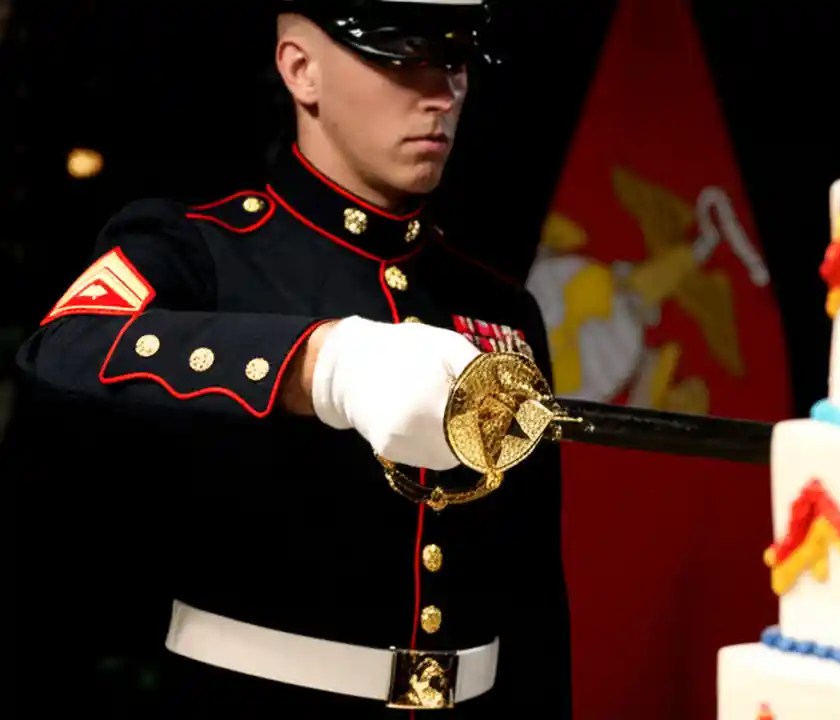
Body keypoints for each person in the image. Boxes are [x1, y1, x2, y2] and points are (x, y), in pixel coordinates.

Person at [7, 0, 571, 716]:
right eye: (403, 58)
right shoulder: (201, 250)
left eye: (455, 62)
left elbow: (532, 590)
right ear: (301, 71)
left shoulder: (498, 306)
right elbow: (62, 349)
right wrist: (315, 363)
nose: (441, 94)